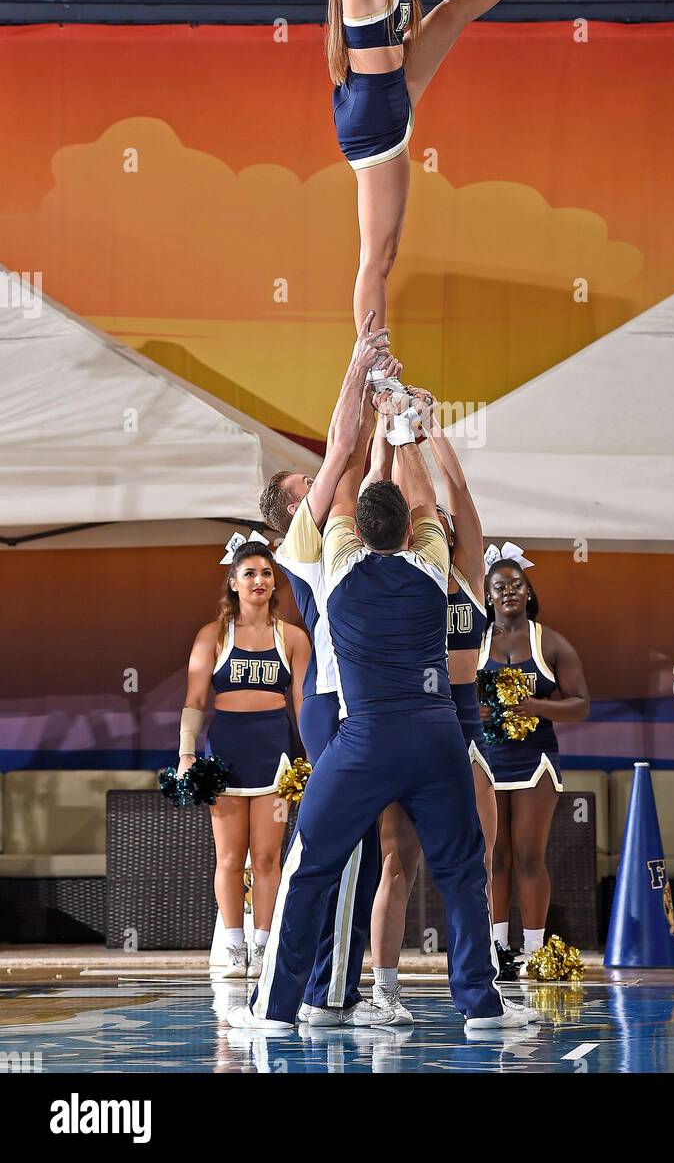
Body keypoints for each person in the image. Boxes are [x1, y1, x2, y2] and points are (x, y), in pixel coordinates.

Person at [229, 396, 538, 1033]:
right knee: (462, 872)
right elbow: (430, 501)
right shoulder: (434, 567)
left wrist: (375, 416)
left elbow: (347, 486)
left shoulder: (335, 568)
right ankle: (480, 1007)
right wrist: (408, 427)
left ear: (354, 530)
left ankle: (275, 1009)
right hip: (438, 736)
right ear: (412, 532)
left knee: (309, 868)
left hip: (366, 738)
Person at [328, 0, 562, 346]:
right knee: (379, 256)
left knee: (456, 9)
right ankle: (374, 362)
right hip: (375, 120)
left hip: (390, 89)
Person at [256, 311, 403, 1025]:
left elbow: (367, 464)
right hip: (335, 700)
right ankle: (322, 992)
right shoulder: (304, 540)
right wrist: (357, 359)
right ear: (296, 509)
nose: (325, 478)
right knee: (337, 847)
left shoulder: (348, 534)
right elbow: (343, 446)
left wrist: (386, 407)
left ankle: (332, 986)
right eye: (309, 481)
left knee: (362, 846)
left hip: (359, 698)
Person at [364, 387, 496, 1023]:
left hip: (464, 722)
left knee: (475, 864)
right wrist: (391, 434)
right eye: (426, 519)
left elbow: (459, 494)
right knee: (398, 863)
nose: (437, 520)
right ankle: (385, 990)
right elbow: (383, 504)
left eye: (442, 519)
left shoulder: (468, 574)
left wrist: (428, 429)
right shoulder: (400, 575)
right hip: (411, 719)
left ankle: (479, 990)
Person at [178, 534, 309, 978]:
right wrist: (187, 753)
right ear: (233, 582)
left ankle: (264, 946)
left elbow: (303, 704)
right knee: (231, 858)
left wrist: (313, 756)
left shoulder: (293, 638)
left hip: (276, 755)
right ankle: (235, 947)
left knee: (268, 858)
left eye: (267, 573)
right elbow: (195, 701)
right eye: (249, 573)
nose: (259, 580)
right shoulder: (212, 635)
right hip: (226, 756)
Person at [479, 550, 590, 967]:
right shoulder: (475, 643)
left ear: (528, 591)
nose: (509, 592)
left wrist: (537, 707)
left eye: (516, 585)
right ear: (488, 596)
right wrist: (475, 711)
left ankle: (533, 949)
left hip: (536, 759)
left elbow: (580, 705)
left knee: (528, 855)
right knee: (494, 856)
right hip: (487, 759)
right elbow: (450, 696)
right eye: (499, 587)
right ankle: (496, 947)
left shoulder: (551, 642)